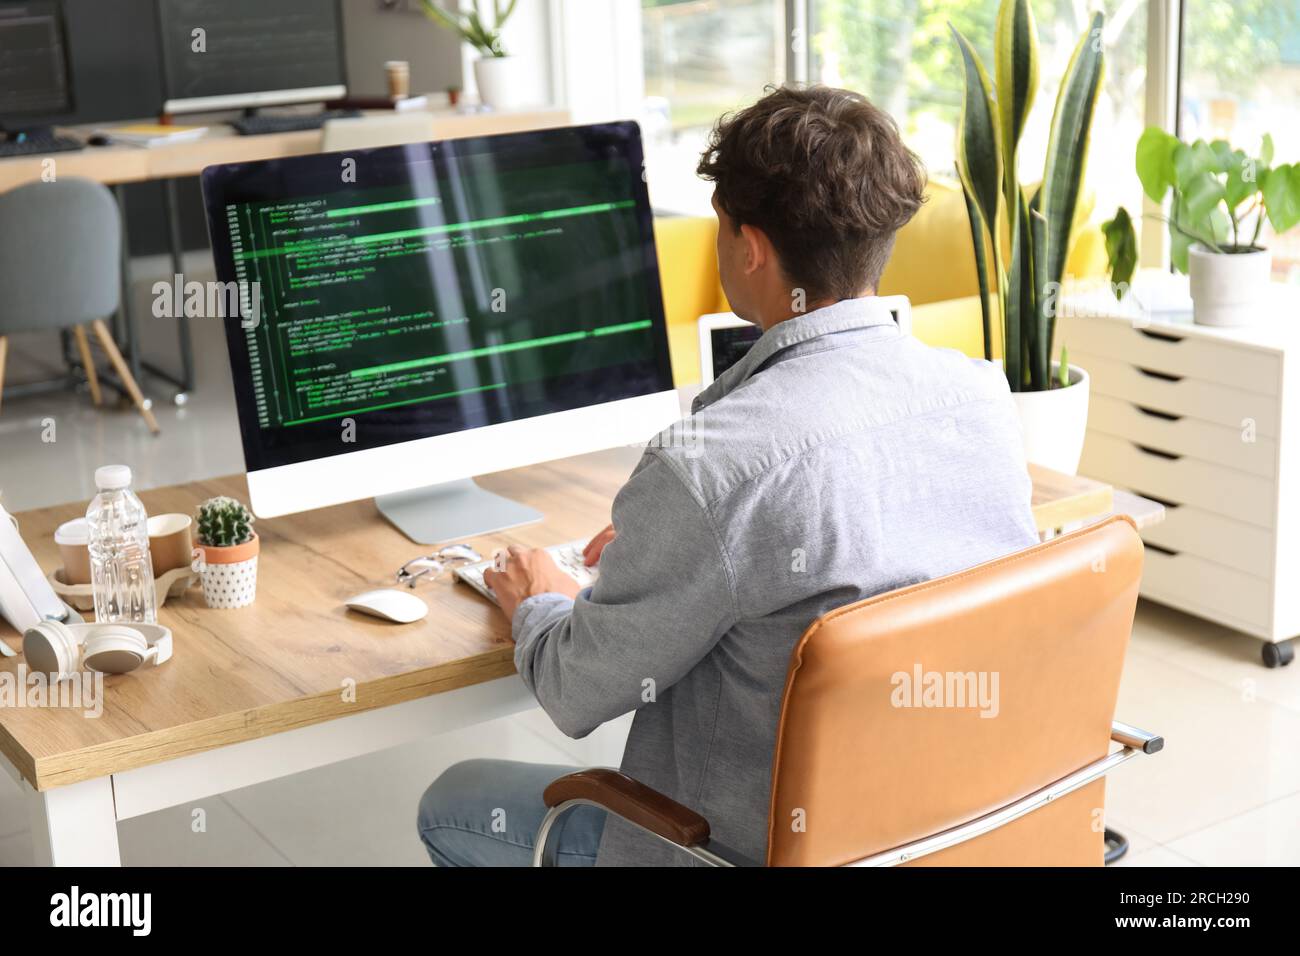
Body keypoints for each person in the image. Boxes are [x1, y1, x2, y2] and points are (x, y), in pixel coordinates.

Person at [417, 85, 1039, 867]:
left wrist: (540, 599)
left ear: (750, 247)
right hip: (948, 834)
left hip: (734, 851)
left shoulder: (708, 467)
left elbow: (577, 693)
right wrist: (669, 549)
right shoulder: (979, 397)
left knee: (452, 799)